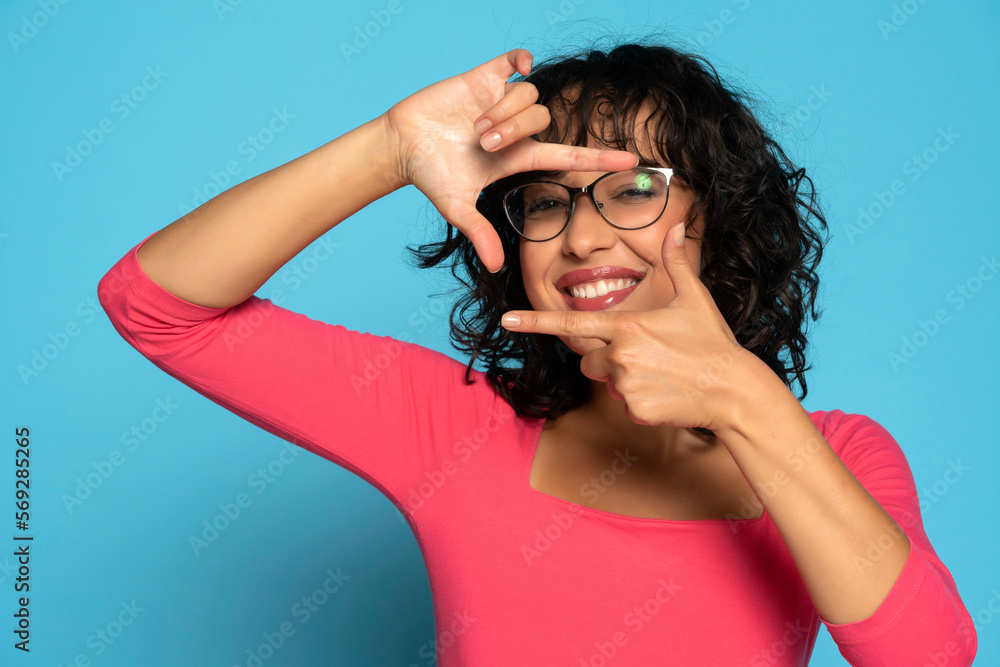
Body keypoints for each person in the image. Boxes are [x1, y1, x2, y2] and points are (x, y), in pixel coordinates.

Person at [98, 42, 977, 665]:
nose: (584, 238)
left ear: (718, 221)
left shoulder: (841, 451)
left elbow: (929, 654)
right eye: (549, 202)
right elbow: (155, 305)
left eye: (634, 189)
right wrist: (390, 149)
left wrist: (744, 401)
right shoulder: (456, 427)